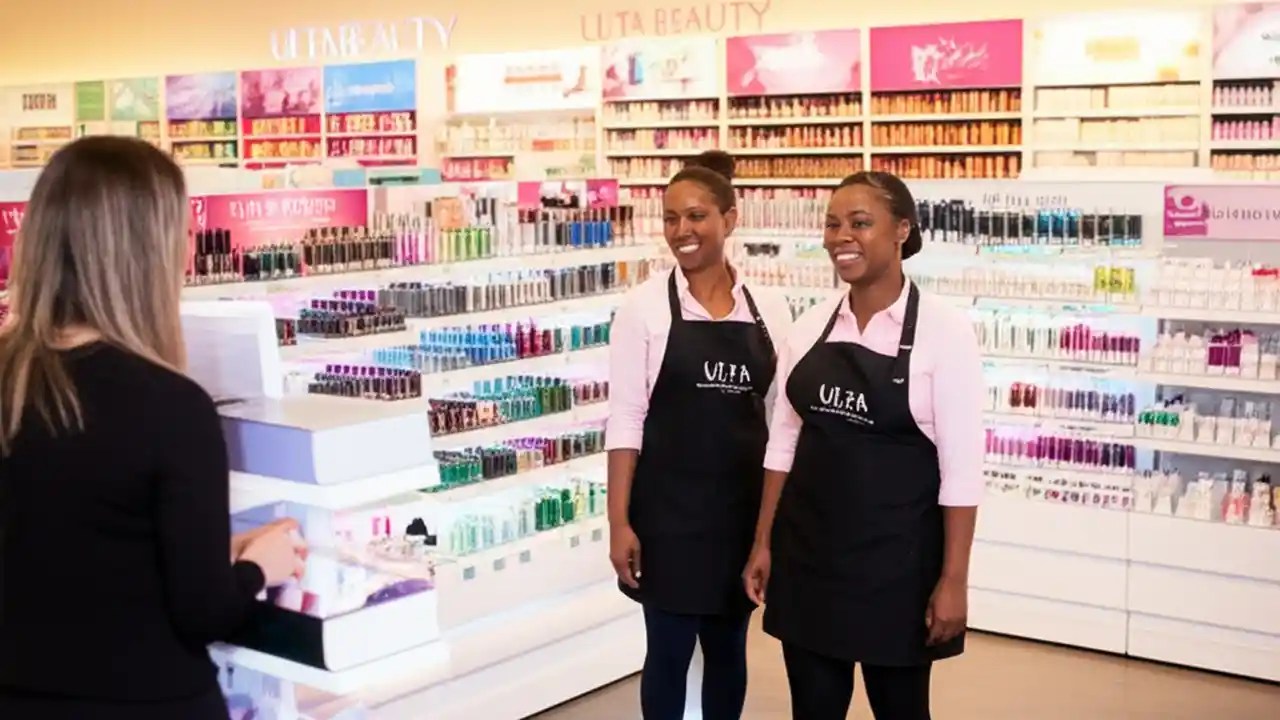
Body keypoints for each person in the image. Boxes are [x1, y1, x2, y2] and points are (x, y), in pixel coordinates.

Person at [0, 137, 307, 720]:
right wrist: (255, 568)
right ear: (149, 252)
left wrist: (210, 550)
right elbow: (205, 614)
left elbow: (67, 544)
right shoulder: (171, 406)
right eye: (181, 231)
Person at [743, 171, 984, 720]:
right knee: (814, 707)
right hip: (808, 558)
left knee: (900, 710)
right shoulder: (809, 328)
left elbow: (963, 470)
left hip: (896, 568)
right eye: (832, 224)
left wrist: (953, 580)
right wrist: (763, 541)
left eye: (859, 223)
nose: (840, 237)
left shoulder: (945, 334)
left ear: (902, 230)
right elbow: (783, 441)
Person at [607, 150, 791, 719]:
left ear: (729, 220)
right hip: (666, 517)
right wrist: (619, 522)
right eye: (670, 218)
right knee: (665, 653)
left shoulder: (771, 307)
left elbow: (781, 422)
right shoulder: (642, 310)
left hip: (737, 516)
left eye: (696, 216)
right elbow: (625, 420)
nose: (681, 231)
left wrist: (766, 533)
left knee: (729, 651)